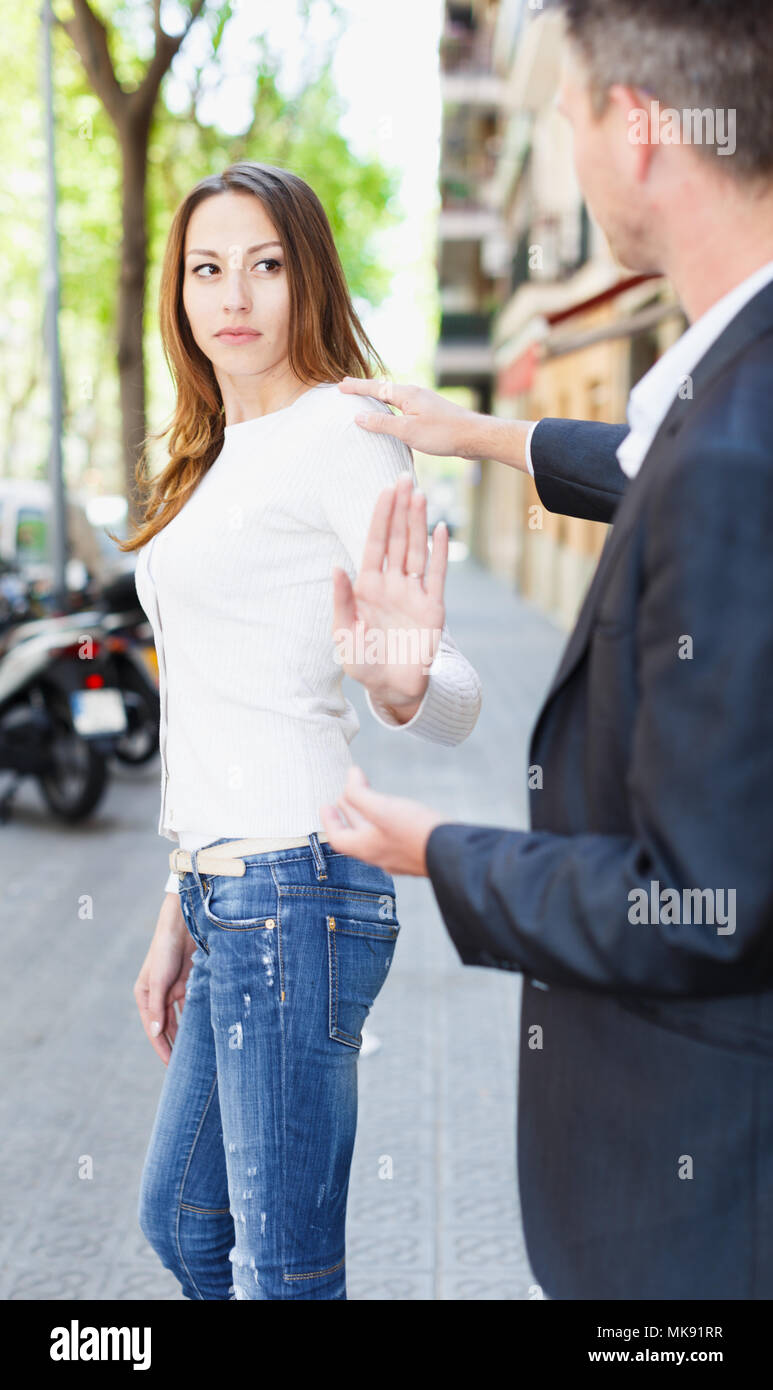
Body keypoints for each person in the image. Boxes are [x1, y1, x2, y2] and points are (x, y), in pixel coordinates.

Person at [321, 0, 773, 1299]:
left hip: (697, 1211)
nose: (564, 143)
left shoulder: (736, 448)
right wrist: (475, 432)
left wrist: (434, 847)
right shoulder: (728, 391)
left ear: (638, 132)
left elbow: (704, 903)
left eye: (566, 114)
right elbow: (649, 460)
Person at [122, 161, 482, 1300]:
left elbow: (449, 685)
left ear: (307, 276)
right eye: (207, 269)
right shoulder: (208, 455)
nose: (235, 295)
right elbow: (210, 704)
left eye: (265, 265)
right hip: (229, 891)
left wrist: (399, 678)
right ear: (178, 295)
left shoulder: (341, 430)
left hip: (297, 893)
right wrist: (177, 901)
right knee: (181, 1222)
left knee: (286, 1274)